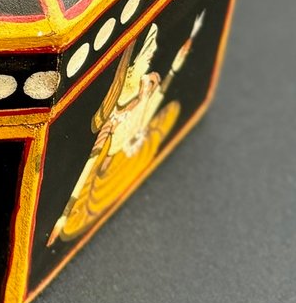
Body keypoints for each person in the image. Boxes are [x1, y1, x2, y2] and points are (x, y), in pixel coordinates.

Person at [48, 14, 201, 245]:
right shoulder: (124, 96)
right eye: (145, 60)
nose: (147, 65)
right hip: (113, 142)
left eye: (148, 60)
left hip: (125, 137)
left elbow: (148, 105)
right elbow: (89, 166)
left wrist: (166, 74)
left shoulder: (144, 90)